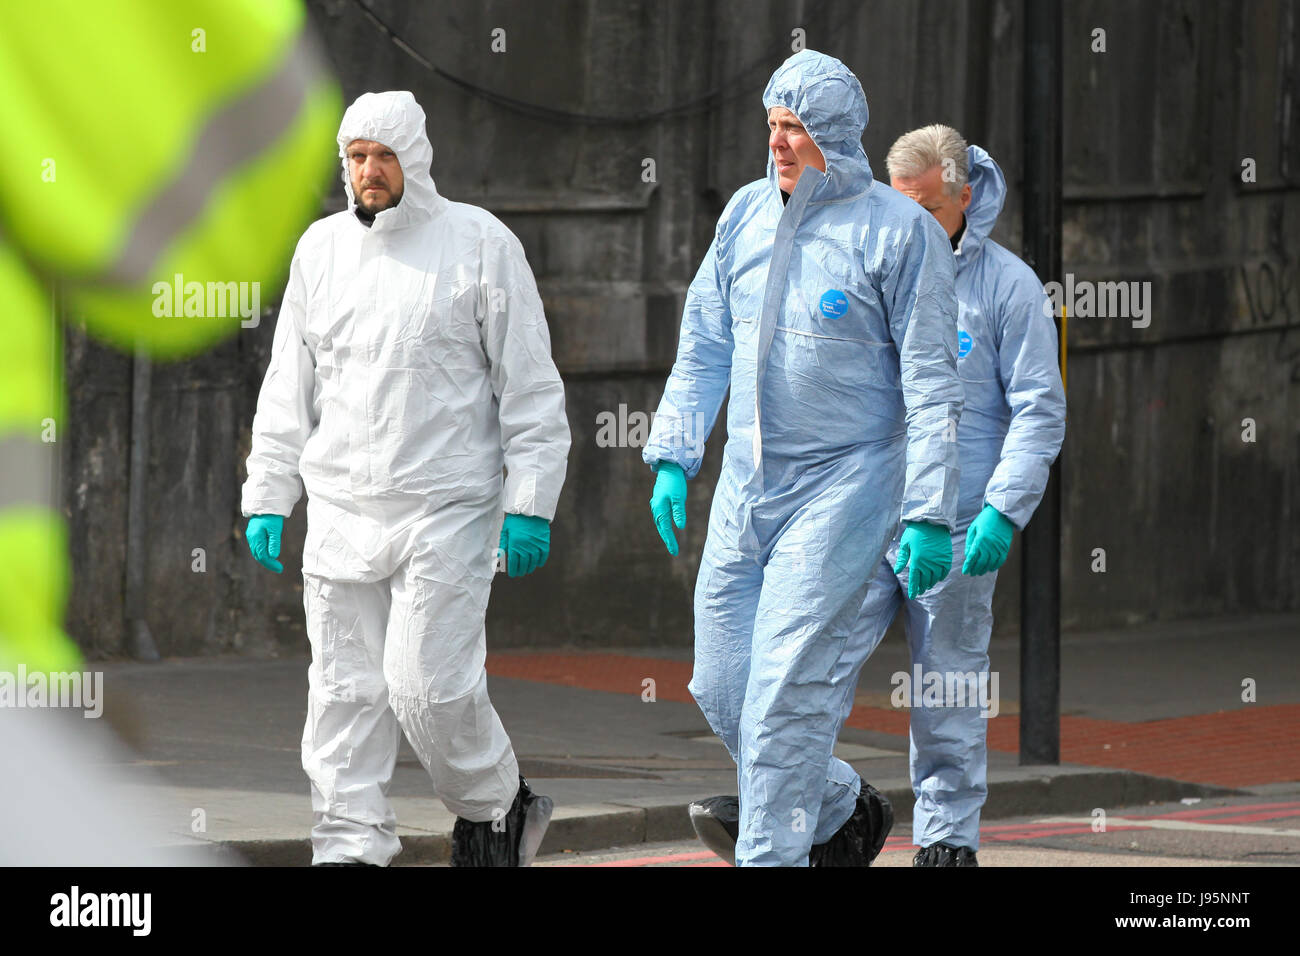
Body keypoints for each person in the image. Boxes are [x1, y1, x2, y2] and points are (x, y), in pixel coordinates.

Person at [643, 51, 963, 867]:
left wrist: (927, 511)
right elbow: (705, 343)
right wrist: (675, 453)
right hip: (750, 485)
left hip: (847, 483)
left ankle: (772, 856)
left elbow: (931, 383)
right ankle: (837, 807)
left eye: (797, 129)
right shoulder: (744, 215)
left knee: (785, 690)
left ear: (836, 136)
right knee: (722, 685)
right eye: (774, 127)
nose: (780, 143)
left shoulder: (901, 232)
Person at [241, 91, 571, 867]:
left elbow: (527, 382)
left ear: (415, 158)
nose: (369, 171)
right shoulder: (320, 251)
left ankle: (496, 807)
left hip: (446, 505)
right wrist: (268, 490)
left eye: (383, 155)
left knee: (428, 687)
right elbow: (288, 383)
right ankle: (349, 844)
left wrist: (530, 502)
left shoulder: (479, 244)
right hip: (341, 505)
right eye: (355, 157)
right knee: (343, 693)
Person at [852, 127, 1065, 866]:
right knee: (805, 666)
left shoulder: (1008, 288)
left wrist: (1005, 509)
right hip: (866, 513)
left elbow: (1040, 408)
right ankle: (823, 808)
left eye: (925, 208)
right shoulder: (875, 268)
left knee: (946, 687)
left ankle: (946, 840)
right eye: (898, 207)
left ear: (964, 197)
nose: (907, 225)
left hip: (962, 520)